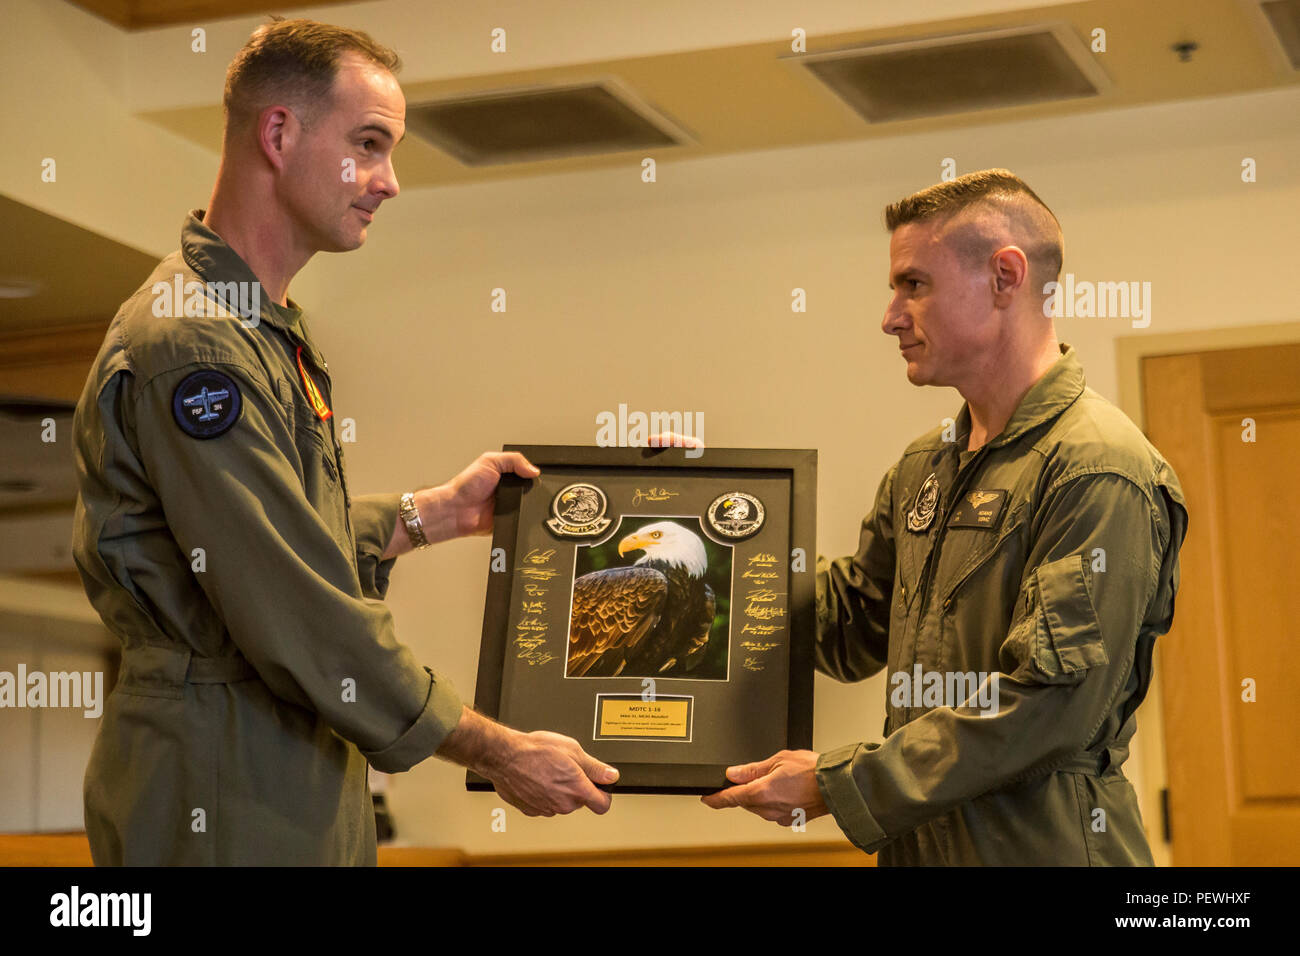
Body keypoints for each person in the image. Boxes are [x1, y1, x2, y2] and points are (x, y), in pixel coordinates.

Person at [71, 17, 618, 866]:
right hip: (221, 777)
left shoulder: (262, 327)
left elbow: (291, 536)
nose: (390, 182)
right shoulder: (195, 344)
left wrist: (426, 515)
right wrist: (495, 747)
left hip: (284, 763)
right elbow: (296, 603)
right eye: (369, 144)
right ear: (279, 134)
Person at [702, 169, 1188, 865]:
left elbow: (1048, 707)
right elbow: (851, 626)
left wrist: (841, 785)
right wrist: (697, 522)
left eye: (914, 285)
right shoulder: (925, 466)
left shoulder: (1096, 467)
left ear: (1005, 276)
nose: (891, 316)